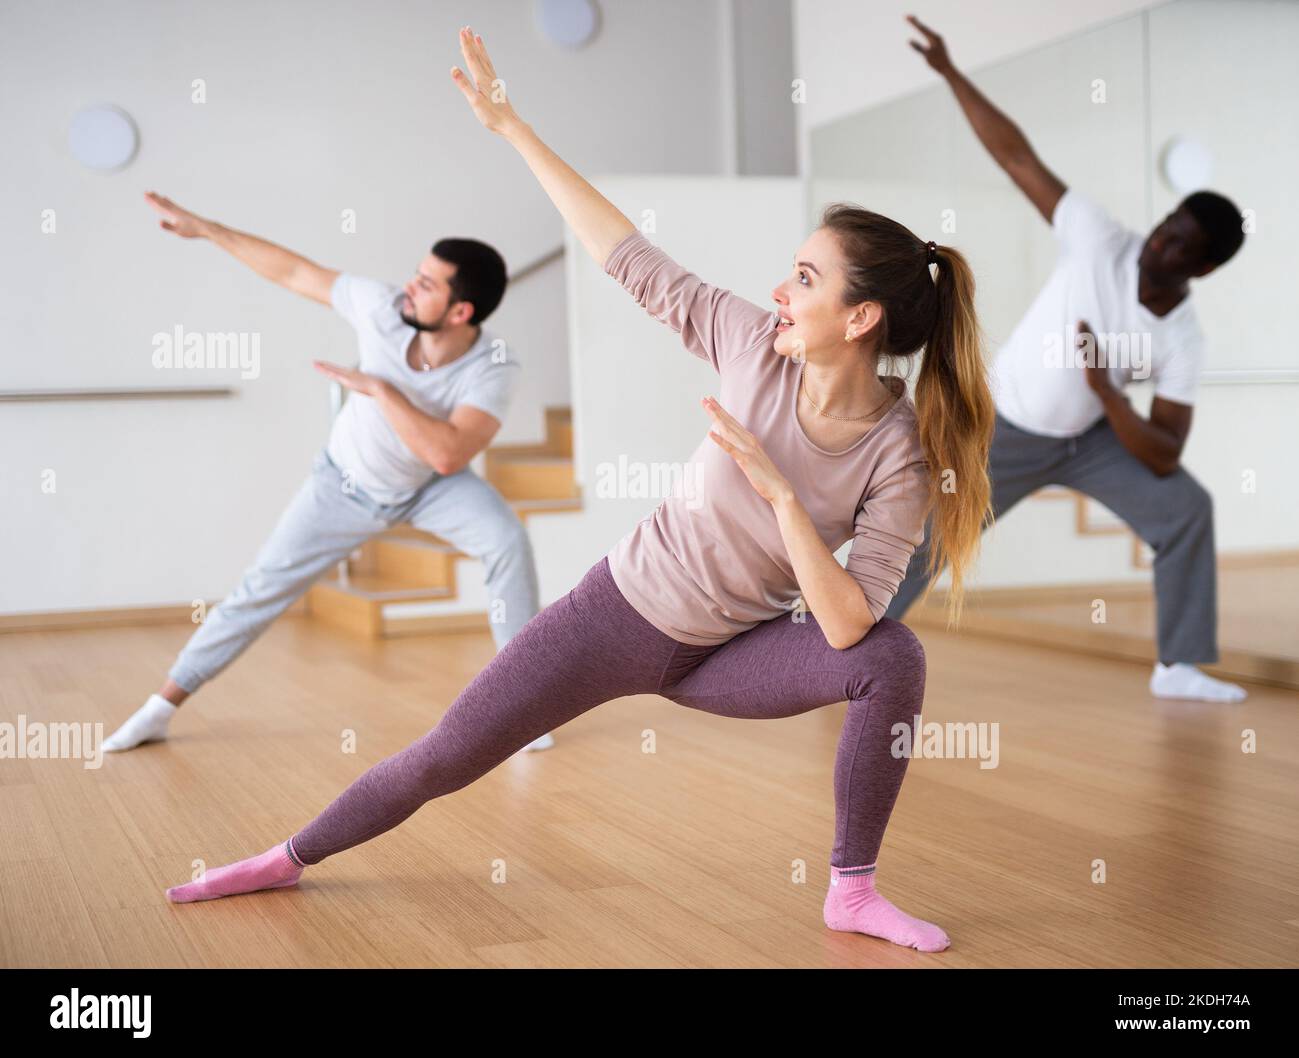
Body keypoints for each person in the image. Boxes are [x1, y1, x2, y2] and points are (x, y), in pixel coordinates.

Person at [161, 26, 997, 954]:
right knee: (446, 756)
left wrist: (785, 500)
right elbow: (623, 252)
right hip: (619, 615)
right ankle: (285, 856)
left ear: (860, 316)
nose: (779, 289)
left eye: (804, 278)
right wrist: (510, 125)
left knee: (896, 657)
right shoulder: (748, 343)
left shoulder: (902, 456)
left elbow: (848, 627)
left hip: (734, 653)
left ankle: (851, 889)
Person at [103, 190, 554, 753]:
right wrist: (209, 229)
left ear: (462, 312)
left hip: (431, 487)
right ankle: (160, 707)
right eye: (417, 273)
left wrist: (382, 389)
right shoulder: (381, 309)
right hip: (344, 484)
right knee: (261, 587)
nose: (409, 286)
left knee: (507, 539)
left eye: (428, 283)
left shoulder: (493, 367)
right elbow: (293, 270)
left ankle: (521, 708)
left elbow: (447, 455)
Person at [888, 16, 1249, 704]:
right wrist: (951, 72)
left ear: (1200, 266)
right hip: (1004, 425)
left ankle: (1178, 665)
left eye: (1178, 244)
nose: (1159, 241)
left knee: (1186, 508)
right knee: (924, 533)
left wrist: (1107, 393)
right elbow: (1017, 158)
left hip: (1092, 439)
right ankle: (847, 645)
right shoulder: (1099, 238)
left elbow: (1166, 451)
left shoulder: (1183, 337)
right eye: (1167, 224)